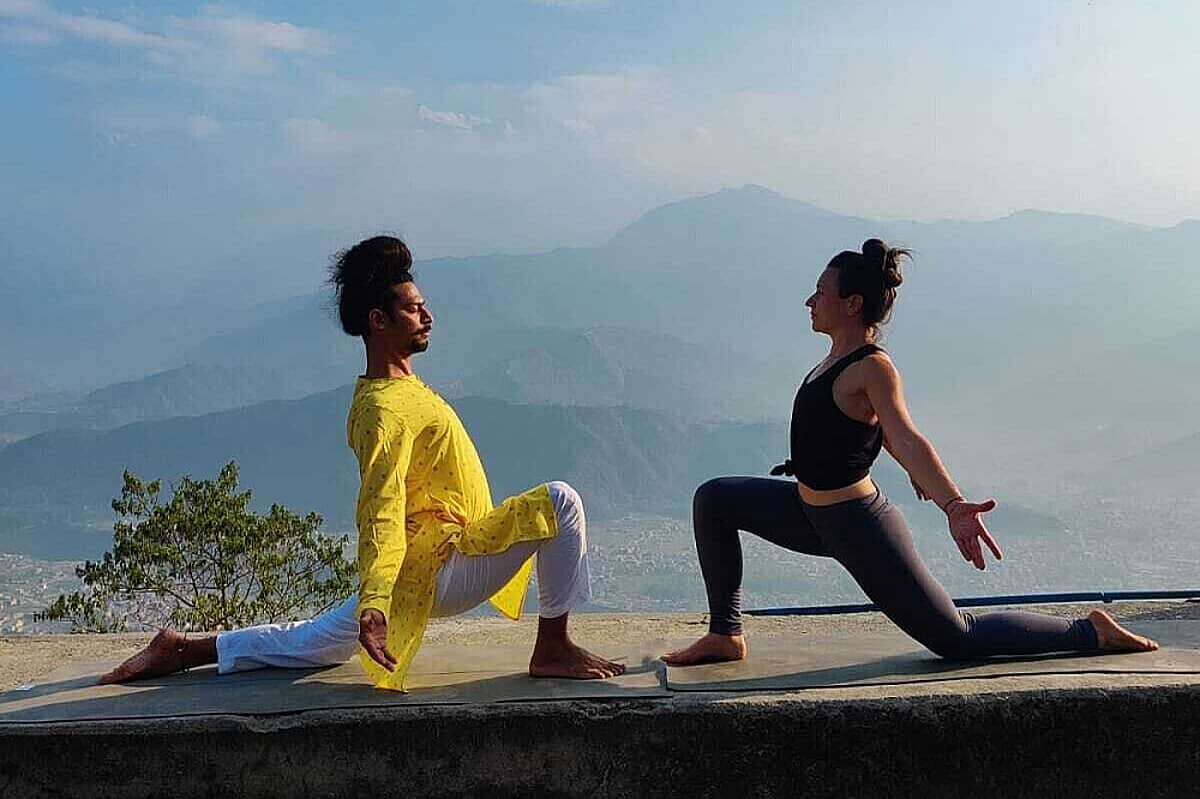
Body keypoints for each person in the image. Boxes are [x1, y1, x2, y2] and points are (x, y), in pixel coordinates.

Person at [100, 235, 625, 690]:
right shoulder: (382, 409)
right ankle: (552, 648)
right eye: (414, 308)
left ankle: (183, 649)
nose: (428, 315)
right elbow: (381, 506)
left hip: (426, 560)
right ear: (379, 320)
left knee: (315, 643)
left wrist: (375, 602)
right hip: (442, 563)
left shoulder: (394, 387)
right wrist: (376, 600)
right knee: (561, 501)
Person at [663, 239, 1158, 666]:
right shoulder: (833, 358)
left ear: (852, 304)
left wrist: (953, 505)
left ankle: (1088, 631)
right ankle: (726, 634)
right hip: (806, 512)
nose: (809, 300)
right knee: (715, 499)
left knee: (956, 638)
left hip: (858, 526)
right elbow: (863, 433)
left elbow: (904, 436)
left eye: (820, 292)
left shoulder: (872, 367)